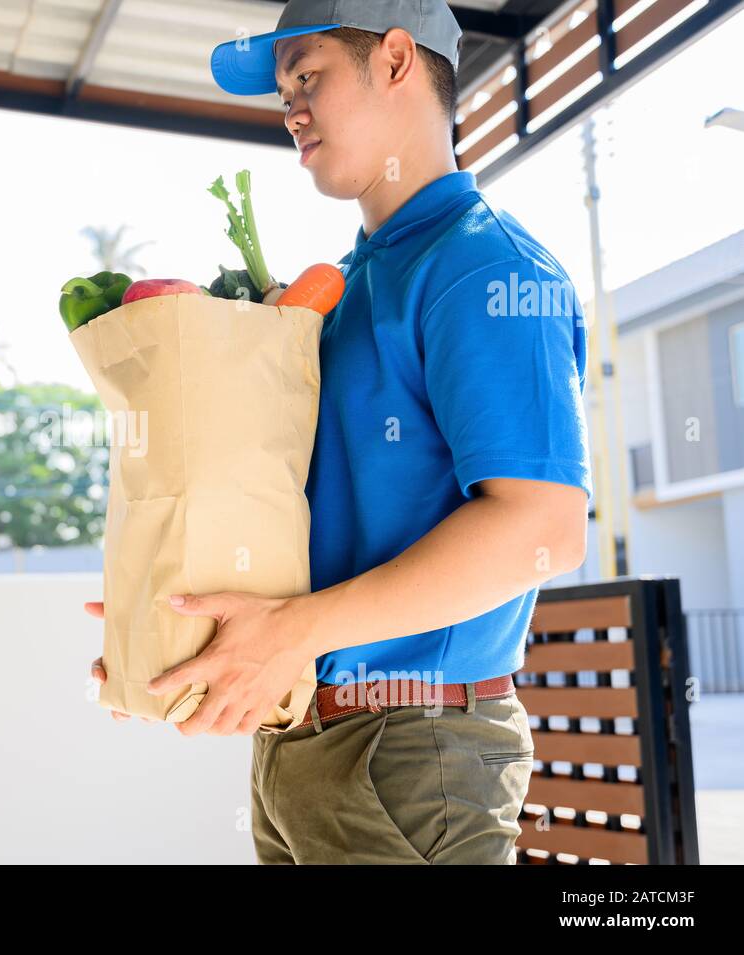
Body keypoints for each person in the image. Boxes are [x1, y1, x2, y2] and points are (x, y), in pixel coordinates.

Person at [86, 0, 593, 864]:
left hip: (413, 748)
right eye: (284, 88)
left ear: (395, 61)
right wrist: (174, 623)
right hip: (304, 742)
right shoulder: (339, 290)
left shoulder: (485, 268)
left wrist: (288, 633)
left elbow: (541, 531)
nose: (288, 107)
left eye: (307, 75)